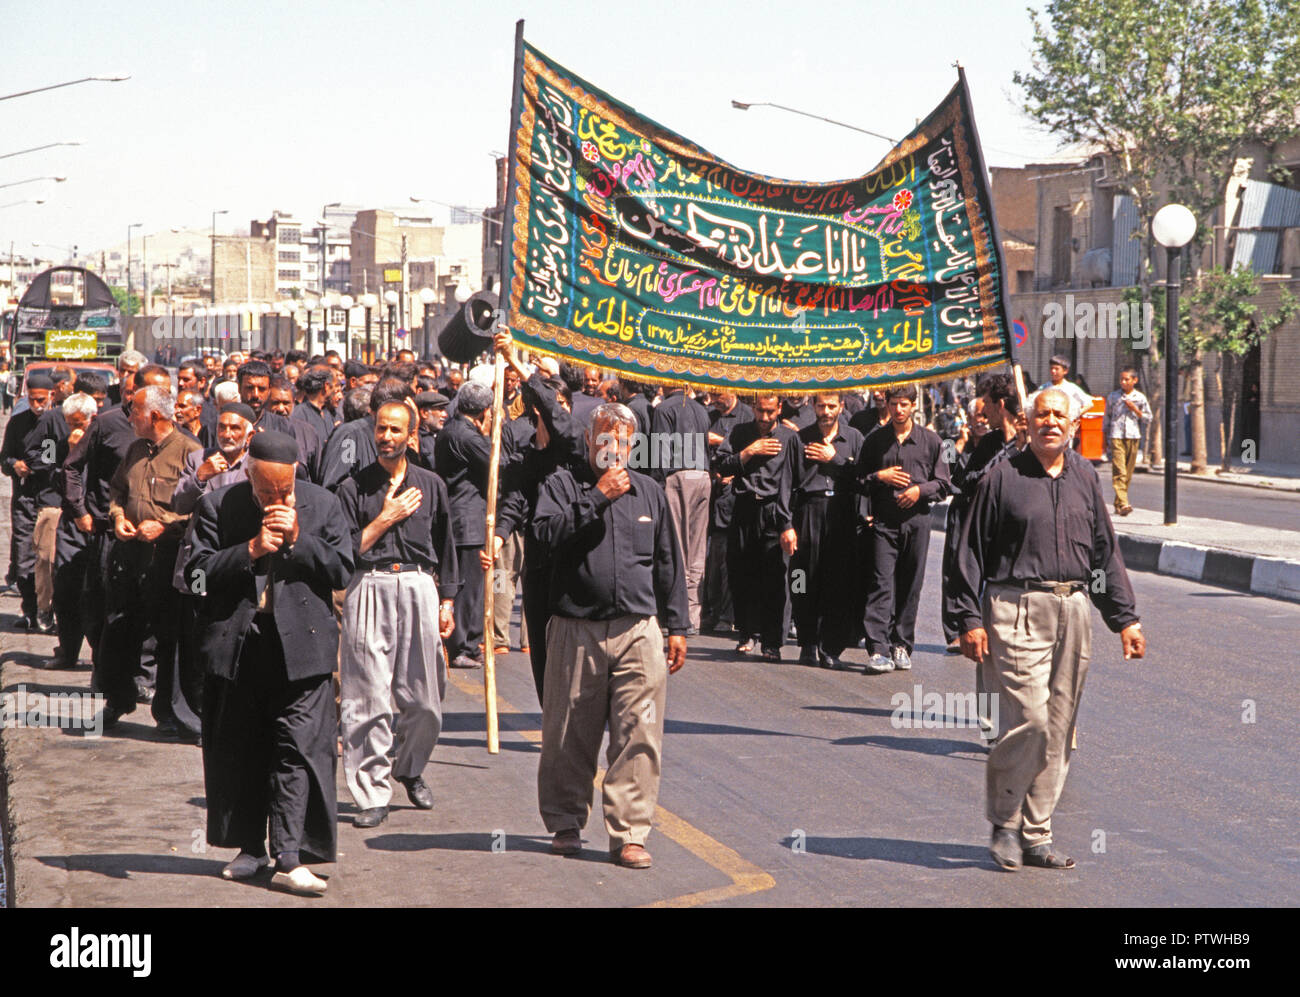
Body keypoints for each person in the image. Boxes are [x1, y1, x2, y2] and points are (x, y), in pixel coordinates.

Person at [950, 388, 1145, 871]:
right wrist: (967, 620)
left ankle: (1036, 835)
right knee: (1030, 720)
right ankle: (1004, 819)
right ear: (1026, 423)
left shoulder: (1083, 475)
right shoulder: (1002, 476)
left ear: (1074, 425)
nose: (1051, 421)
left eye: (1060, 414)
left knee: (1059, 728)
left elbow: (1103, 554)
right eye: (1042, 415)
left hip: (1073, 608)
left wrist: (1125, 618)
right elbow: (967, 551)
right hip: (1014, 606)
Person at [187, 431, 353, 896]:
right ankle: (250, 847)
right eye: (264, 492)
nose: (273, 499)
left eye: (282, 492)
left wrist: (299, 540)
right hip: (241, 644)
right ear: (248, 473)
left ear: (296, 474)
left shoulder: (324, 504)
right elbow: (194, 576)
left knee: (298, 749)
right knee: (241, 749)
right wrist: (251, 550)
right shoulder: (219, 506)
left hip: (302, 649)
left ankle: (292, 856)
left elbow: (342, 570)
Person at [532, 403, 688, 869]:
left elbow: (668, 563)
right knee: (567, 731)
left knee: (639, 733)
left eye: (621, 441)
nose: (612, 448)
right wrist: (596, 497)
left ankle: (630, 833)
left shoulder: (650, 493)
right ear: (587, 441)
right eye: (603, 439)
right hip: (575, 627)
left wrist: (677, 625)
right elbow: (543, 536)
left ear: (632, 445)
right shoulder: (561, 485)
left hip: (639, 629)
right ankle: (564, 822)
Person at [336, 401, 459, 829]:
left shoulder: (431, 484)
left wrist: (448, 600)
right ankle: (371, 791)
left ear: (412, 435)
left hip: (420, 589)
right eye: (381, 429)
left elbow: (446, 546)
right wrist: (386, 517)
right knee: (367, 697)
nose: (386, 436)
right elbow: (344, 552)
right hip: (368, 586)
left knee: (425, 701)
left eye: (395, 430)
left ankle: (409, 767)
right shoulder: (354, 488)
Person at [99, 384, 202, 732]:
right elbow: (117, 490)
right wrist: (118, 517)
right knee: (120, 627)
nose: (130, 417)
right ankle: (117, 699)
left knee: (168, 634)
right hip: (130, 555)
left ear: (154, 415)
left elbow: (201, 511)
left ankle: (171, 714)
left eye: (135, 411)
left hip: (167, 557)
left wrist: (164, 525)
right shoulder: (135, 449)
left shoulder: (190, 451)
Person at [854, 384, 951, 674]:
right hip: (884, 522)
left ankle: (901, 644)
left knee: (911, 585)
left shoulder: (933, 442)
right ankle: (878, 648)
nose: (898, 409)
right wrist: (879, 476)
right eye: (894, 404)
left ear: (913, 405)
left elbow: (944, 483)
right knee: (881, 582)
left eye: (904, 404)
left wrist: (919, 491)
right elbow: (858, 479)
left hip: (918, 523)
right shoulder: (875, 441)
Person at [712, 394, 798, 660]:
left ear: (779, 409)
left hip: (774, 512)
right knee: (741, 574)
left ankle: (772, 642)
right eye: (760, 411)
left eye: (770, 412)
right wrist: (750, 452)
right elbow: (721, 464)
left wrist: (788, 523)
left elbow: (796, 479)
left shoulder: (789, 438)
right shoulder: (741, 433)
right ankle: (746, 633)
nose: (764, 417)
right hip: (745, 508)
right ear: (753, 408)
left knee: (774, 579)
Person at [790, 393, 863, 669]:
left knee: (838, 582)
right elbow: (788, 482)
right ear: (813, 406)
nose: (826, 411)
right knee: (802, 579)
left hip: (841, 513)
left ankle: (830, 646)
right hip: (808, 511)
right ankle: (807, 642)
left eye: (832, 406)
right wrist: (787, 525)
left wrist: (837, 459)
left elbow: (863, 478)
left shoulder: (854, 438)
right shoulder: (800, 438)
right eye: (821, 405)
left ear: (841, 407)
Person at [433, 381, 498, 669]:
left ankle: (465, 643)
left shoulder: (451, 429)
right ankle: (462, 646)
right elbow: (497, 465)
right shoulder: (467, 436)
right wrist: (488, 436)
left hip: (460, 515)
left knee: (466, 583)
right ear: (484, 411)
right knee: (468, 587)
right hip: (467, 518)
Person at [650, 385, 712, 633]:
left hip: (677, 478)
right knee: (696, 551)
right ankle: (693, 618)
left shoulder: (664, 409)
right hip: (703, 476)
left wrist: (655, 487)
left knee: (674, 549)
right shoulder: (702, 410)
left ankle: (675, 618)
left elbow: (659, 453)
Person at [2, 372, 57, 629]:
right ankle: (29, 611)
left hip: (49, 497)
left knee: (46, 558)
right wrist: (15, 465)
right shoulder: (17, 423)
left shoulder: (56, 422)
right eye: (33, 400)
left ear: (51, 397)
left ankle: (48, 611)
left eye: (42, 400)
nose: (37, 405)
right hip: (24, 497)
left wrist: (30, 466)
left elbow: (51, 458)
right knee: (23, 554)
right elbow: (5, 459)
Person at [701, 390, 752, 634]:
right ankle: (711, 611)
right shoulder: (709, 416)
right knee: (712, 563)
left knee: (730, 562)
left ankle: (728, 615)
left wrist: (718, 442)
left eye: (717, 394)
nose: (713, 400)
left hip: (735, 500)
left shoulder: (747, 418)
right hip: (712, 496)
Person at [1103, 365, 1152, 516]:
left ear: (1134, 380)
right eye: (1121, 379)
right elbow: (1107, 417)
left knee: (1128, 473)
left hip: (1133, 436)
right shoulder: (1113, 396)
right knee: (1120, 471)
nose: (1123, 382)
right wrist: (1104, 437)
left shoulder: (1140, 398)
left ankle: (1118, 504)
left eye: (1127, 379)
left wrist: (1135, 409)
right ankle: (1124, 503)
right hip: (1116, 435)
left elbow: (1148, 418)